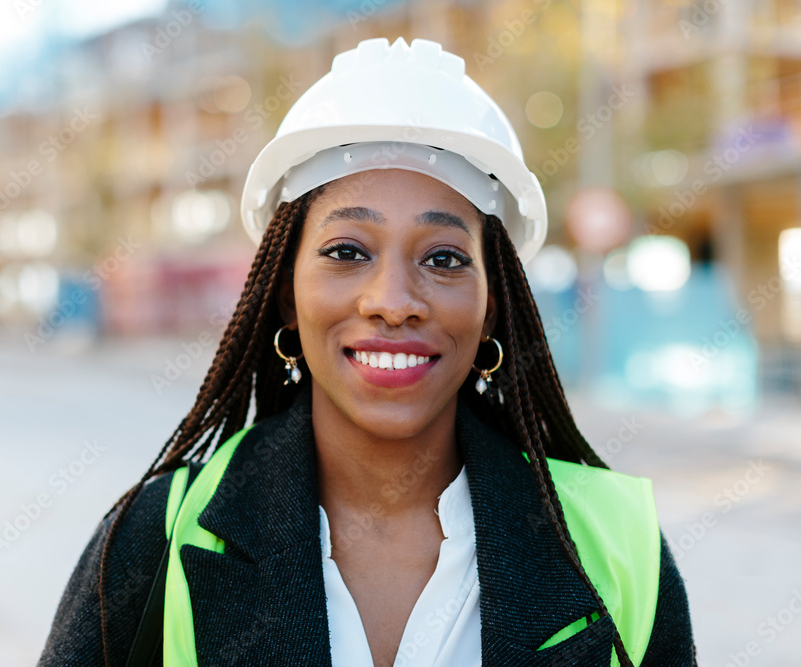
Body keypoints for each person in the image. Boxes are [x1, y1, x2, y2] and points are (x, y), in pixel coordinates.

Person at [38, 37, 696, 667]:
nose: (393, 300)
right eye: (347, 251)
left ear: (491, 303)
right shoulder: (154, 539)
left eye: (444, 258)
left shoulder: (617, 543)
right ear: (286, 295)